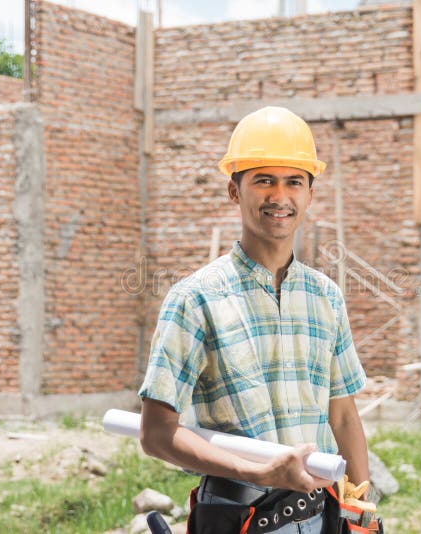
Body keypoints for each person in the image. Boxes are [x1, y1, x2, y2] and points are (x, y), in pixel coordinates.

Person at [138, 106, 369, 534]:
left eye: (293, 182)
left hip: (320, 518)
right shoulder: (195, 299)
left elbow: (342, 417)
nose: (279, 196)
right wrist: (257, 471)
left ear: (309, 194)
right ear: (234, 190)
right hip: (237, 518)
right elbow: (156, 433)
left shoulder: (326, 297)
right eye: (264, 180)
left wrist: (361, 511)